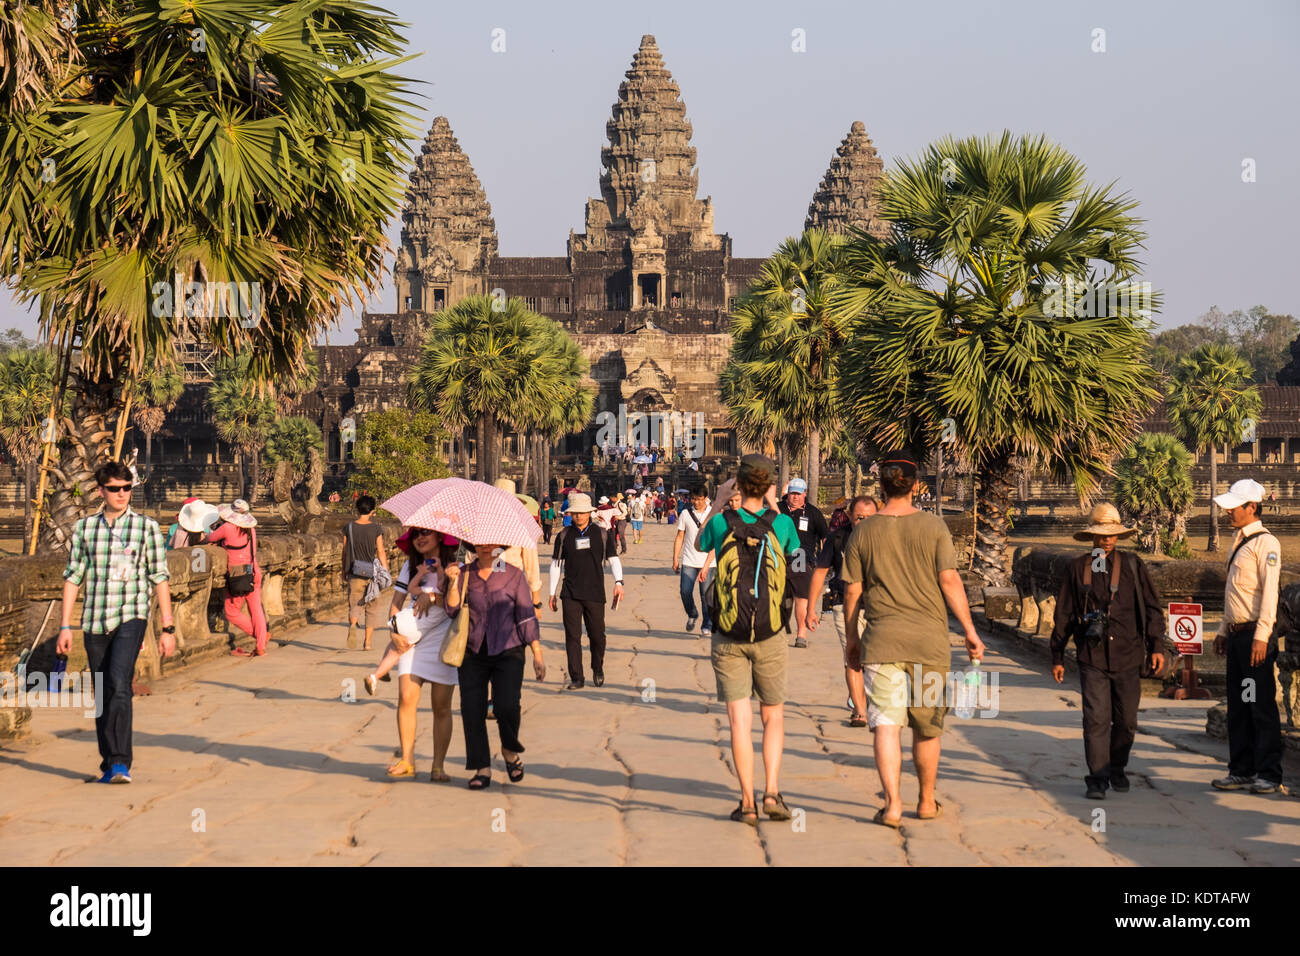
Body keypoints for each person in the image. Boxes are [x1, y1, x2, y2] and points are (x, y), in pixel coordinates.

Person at [840, 452, 985, 828]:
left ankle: (891, 805)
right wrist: (970, 631)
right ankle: (925, 800)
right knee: (926, 725)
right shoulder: (934, 527)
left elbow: (853, 593)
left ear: (881, 488)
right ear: (916, 486)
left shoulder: (863, 531)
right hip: (929, 643)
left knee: (885, 724)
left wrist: (852, 640)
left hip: (882, 639)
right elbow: (950, 581)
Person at [695, 454, 800, 825]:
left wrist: (721, 501)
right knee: (773, 716)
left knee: (740, 721)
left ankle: (747, 802)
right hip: (770, 632)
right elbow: (798, 561)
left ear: (738, 484)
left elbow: (698, 542)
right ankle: (771, 792)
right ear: (770, 484)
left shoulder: (723, 522)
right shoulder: (783, 524)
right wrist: (774, 507)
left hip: (728, 633)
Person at [58, 461, 175, 784]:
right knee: (101, 692)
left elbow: (159, 577)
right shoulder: (85, 528)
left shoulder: (146, 528)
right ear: (101, 491)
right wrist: (65, 625)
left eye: (127, 488)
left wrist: (168, 627)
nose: (122, 494)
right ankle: (108, 762)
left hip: (131, 614)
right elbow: (73, 577)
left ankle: (122, 761)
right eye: (114, 488)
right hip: (95, 619)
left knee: (119, 683)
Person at [1049, 503, 1166, 799]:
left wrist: (1157, 646)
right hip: (1092, 655)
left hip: (1129, 653)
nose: (1107, 539)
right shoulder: (1077, 568)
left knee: (1126, 721)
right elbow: (1063, 614)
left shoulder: (1132, 565)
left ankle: (1117, 767)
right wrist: (1057, 655)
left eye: (1112, 534)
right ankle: (1097, 779)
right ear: (1092, 537)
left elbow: (1152, 608)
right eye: (1102, 535)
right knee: (1096, 719)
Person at [445, 542, 547, 789]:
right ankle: (482, 768)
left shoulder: (513, 575)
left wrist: (537, 653)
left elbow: (525, 614)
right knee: (472, 709)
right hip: (472, 650)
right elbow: (451, 609)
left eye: (490, 544)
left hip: (509, 648)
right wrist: (451, 581)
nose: (484, 548)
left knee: (507, 705)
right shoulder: (464, 572)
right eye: (479, 544)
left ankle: (509, 751)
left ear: (500, 546)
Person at [1211, 479, 1284, 794]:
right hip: (1237, 634)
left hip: (1255, 635)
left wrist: (1262, 637)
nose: (1229, 512)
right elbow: (1234, 593)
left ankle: (1268, 771)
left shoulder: (1266, 544)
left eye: (1234, 507)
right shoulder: (1238, 540)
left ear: (1251, 507)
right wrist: (1222, 629)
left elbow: (1270, 593)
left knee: (1260, 705)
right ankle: (1240, 768)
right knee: (1239, 705)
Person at [382, 529, 460, 781]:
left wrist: (434, 596)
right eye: (416, 534)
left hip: (442, 635)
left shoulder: (454, 566)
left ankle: (438, 765)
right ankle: (407, 759)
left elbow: (456, 605)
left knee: (441, 705)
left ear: (440, 537)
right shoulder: (410, 566)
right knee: (406, 696)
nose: (420, 538)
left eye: (426, 534)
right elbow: (397, 602)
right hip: (414, 633)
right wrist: (393, 631)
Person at [807, 495, 878, 727]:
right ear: (849, 516)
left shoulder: (886, 539)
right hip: (844, 605)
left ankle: (868, 699)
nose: (864, 522)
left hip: (879, 606)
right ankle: (859, 711)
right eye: (859, 518)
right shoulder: (837, 538)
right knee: (853, 657)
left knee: (876, 661)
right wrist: (811, 609)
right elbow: (820, 572)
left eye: (870, 518)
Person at [549, 493, 625, 689]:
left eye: (583, 513)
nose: (579, 516)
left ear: (590, 513)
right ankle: (576, 677)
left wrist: (619, 582)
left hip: (595, 592)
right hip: (570, 593)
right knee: (572, 636)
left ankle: (597, 667)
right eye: (575, 513)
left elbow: (613, 558)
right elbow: (556, 564)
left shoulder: (602, 534)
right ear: (570, 513)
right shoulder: (564, 535)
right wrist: (552, 592)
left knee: (597, 635)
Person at [207, 499, 270, 657]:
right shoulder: (251, 530)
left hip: (237, 574)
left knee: (231, 612)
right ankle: (261, 644)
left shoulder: (227, 527)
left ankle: (259, 636)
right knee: (256, 610)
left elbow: (209, 539)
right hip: (253, 570)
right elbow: (252, 551)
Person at [780, 477, 830, 649]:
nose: (794, 497)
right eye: (792, 493)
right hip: (779, 557)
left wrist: (826, 559)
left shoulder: (813, 513)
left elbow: (825, 537)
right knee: (780, 598)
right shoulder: (778, 509)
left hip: (801, 557)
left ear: (805, 494)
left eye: (798, 494)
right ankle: (779, 633)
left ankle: (801, 633)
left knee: (801, 598)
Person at [343, 494, 391, 651]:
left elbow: (344, 551)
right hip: (372, 573)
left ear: (357, 508)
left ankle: (352, 624)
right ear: (372, 510)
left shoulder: (349, 527)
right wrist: (385, 570)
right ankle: (368, 643)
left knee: (355, 603)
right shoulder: (376, 528)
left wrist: (344, 569)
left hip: (354, 571)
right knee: (372, 608)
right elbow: (380, 551)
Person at [673, 486, 715, 637]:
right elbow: (680, 537)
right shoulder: (685, 513)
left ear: (705, 498)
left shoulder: (713, 514)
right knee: (685, 591)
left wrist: (707, 565)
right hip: (689, 560)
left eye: (699, 499)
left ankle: (707, 625)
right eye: (694, 499)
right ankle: (692, 613)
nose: (696, 502)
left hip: (709, 562)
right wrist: (675, 559)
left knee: (706, 595)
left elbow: (717, 540)